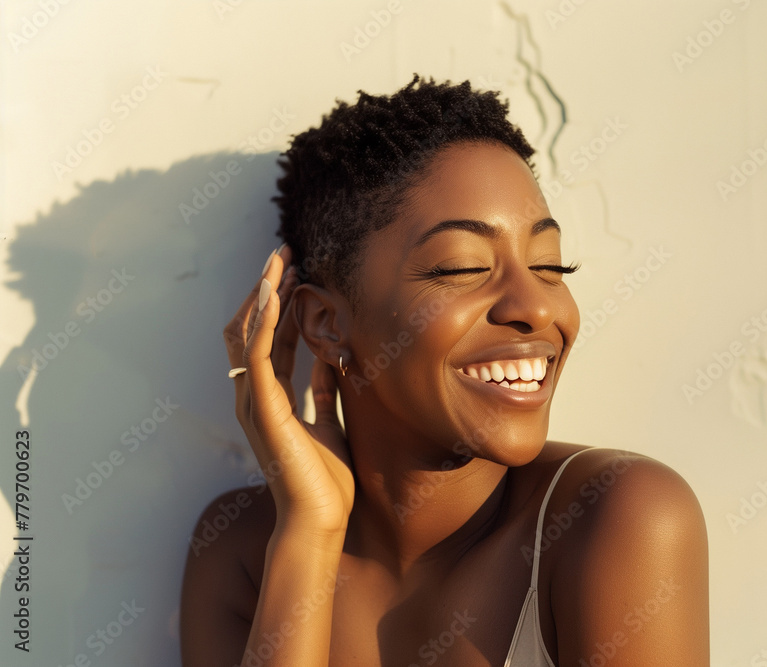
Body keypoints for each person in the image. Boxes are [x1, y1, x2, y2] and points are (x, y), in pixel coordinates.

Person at [180, 75, 709, 666]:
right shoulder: (241, 551)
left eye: (550, 264)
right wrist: (309, 531)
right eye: (461, 268)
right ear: (326, 324)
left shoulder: (620, 517)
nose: (534, 306)